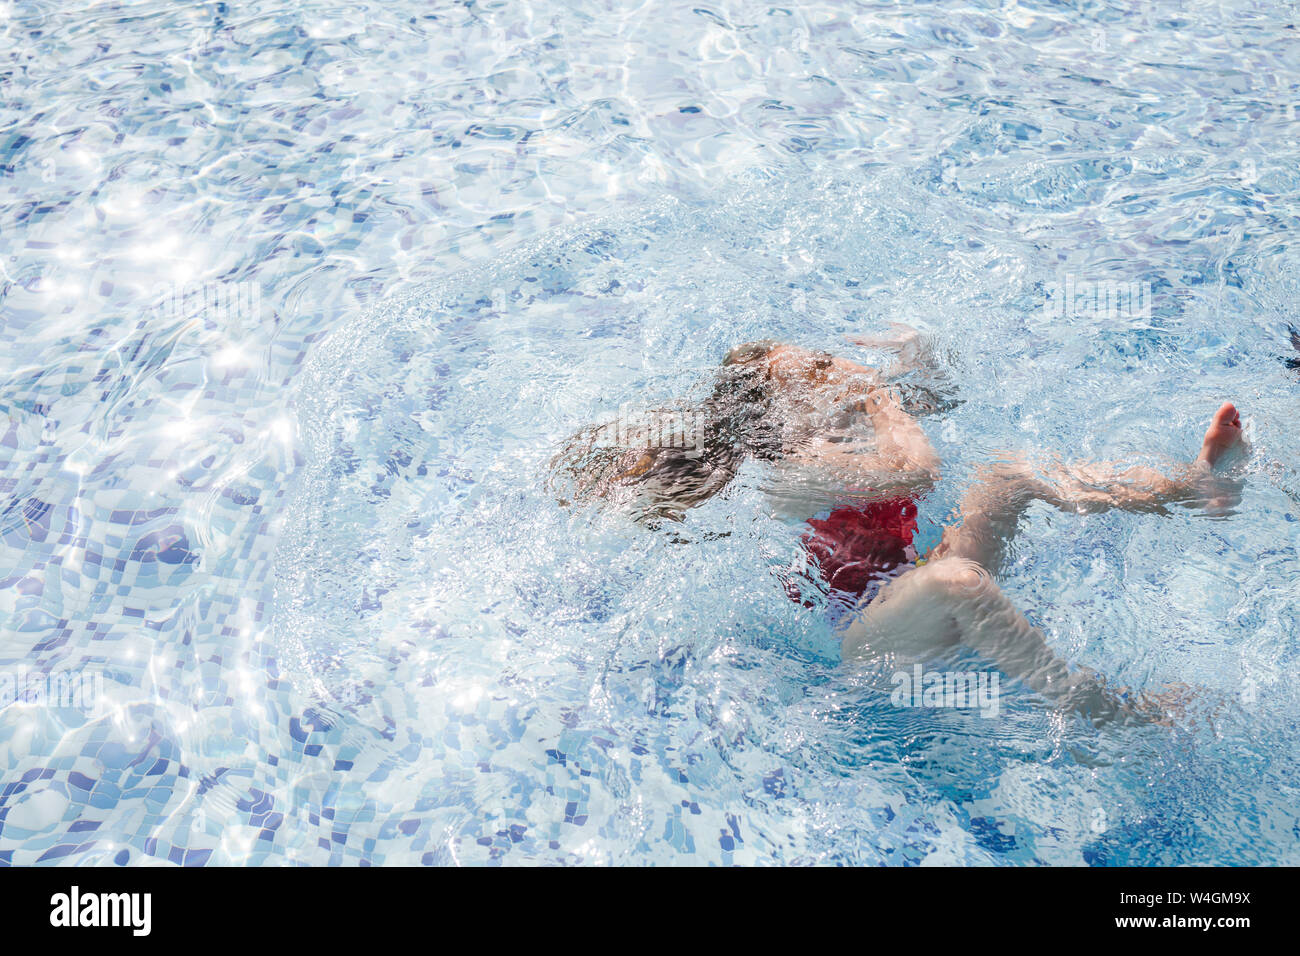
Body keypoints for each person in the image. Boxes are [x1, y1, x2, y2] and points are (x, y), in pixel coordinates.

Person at [550, 329, 1245, 726]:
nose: (836, 370)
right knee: (959, 582)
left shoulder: (836, 428)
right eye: (818, 369)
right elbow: (918, 471)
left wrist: (923, 357)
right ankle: (1105, 718)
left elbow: (939, 399)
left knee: (1013, 470)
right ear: (785, 405)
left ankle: (1194, 486)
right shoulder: (792, 472)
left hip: (898, 587)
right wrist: (881, 397)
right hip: (864, 642)